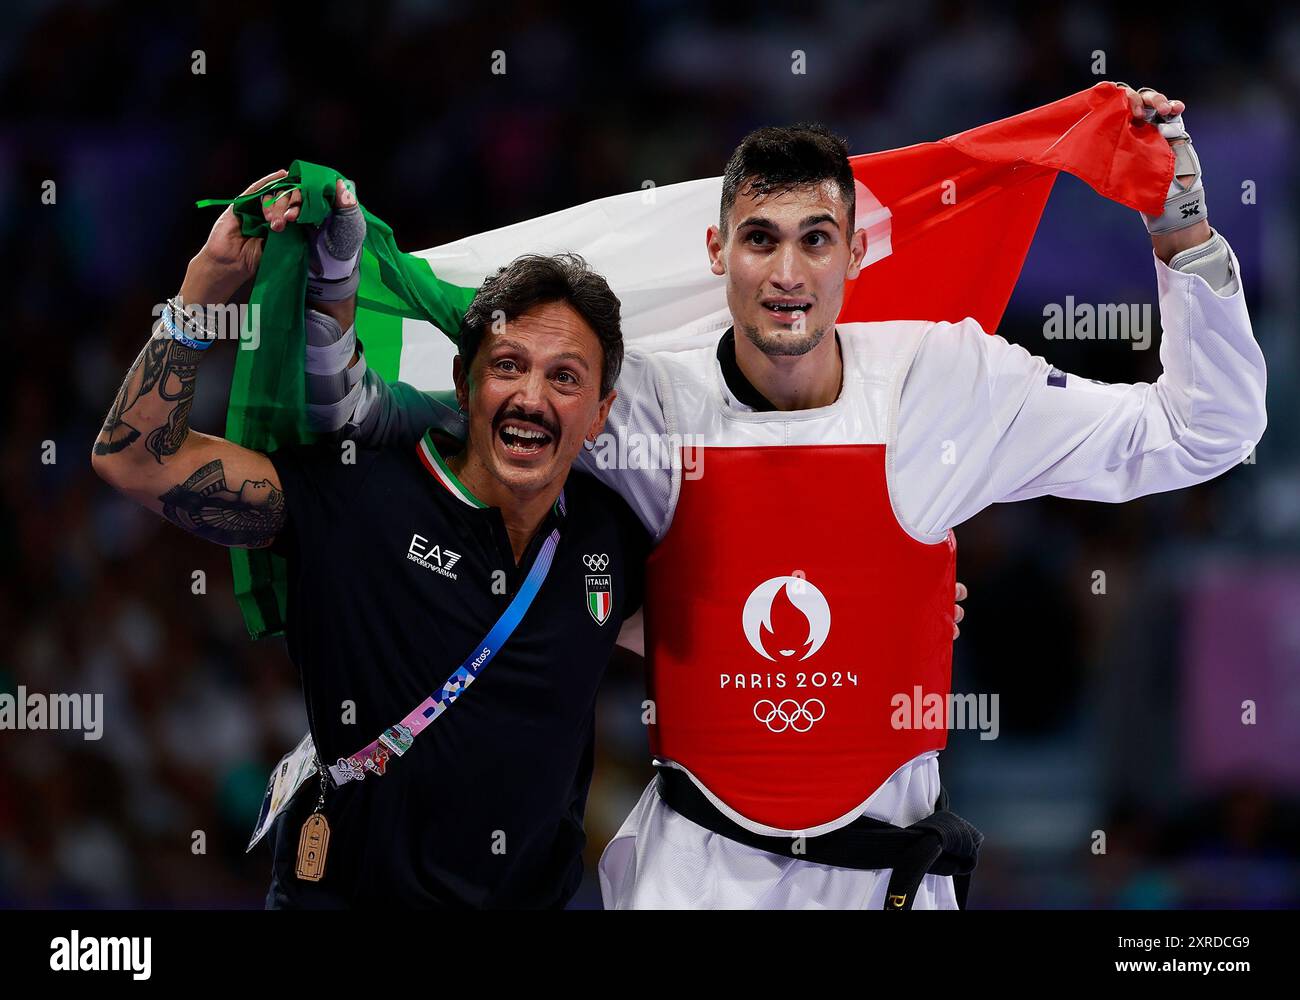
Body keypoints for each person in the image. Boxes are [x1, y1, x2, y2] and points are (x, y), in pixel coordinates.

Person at [310, 83, 1266, 910]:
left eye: (817, 240)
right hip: (692, 878)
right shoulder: (638, 396)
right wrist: (328, 294)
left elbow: (1205, 430)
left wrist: (1178, 226)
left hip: (885, 881)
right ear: (718, 251)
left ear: (857, 254)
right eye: (761, 240)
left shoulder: (946, 383)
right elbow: (446, 417)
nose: (788, 274)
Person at [90, 170, 655, 907]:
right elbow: (133, 457)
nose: (530, 397)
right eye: (508, 366)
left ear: (602, 410)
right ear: (463, 380)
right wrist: (204, 288)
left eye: (565, 377)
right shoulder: (360, 492)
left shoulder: (608, 537)